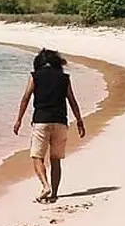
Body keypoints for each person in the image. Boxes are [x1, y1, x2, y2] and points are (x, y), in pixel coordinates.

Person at [12, 47, 85, 203]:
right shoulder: (64, 78)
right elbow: (72, 101)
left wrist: (19, 120)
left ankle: (45, 186)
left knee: (37, 157)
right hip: (61, 122)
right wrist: (79, 121)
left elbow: (25, 98)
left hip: (41, 121)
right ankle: (54, 195)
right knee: (56, 160)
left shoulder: (35, 76)